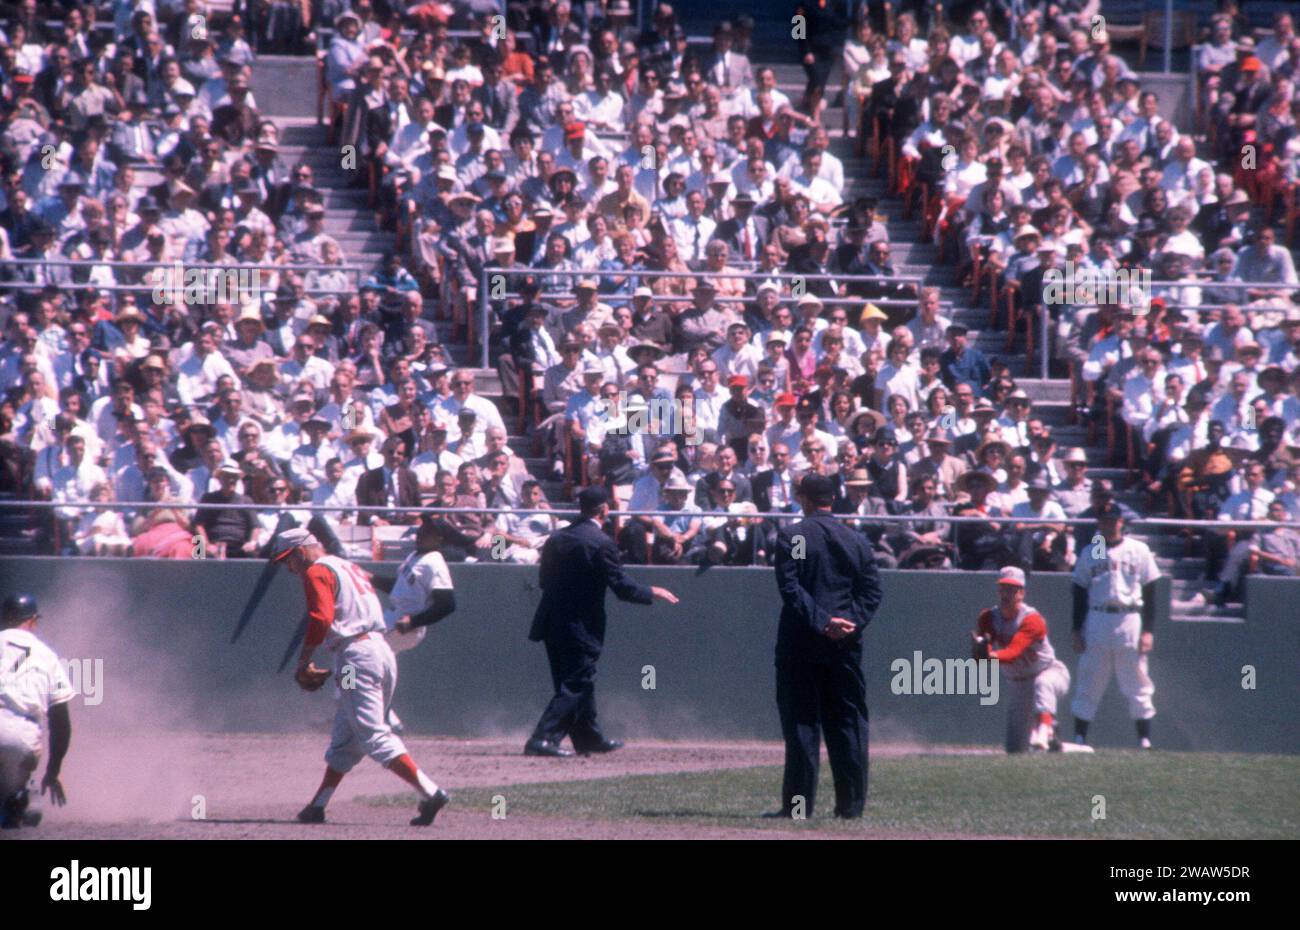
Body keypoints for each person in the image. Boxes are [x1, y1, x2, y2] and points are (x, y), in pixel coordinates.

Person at [271, 528, 450, 826]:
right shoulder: (345, 564)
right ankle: (317, 805)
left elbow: (321, 617)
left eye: (288, 560)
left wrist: (304, 660)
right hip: (380, 651)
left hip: (355, 658)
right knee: (346, 733)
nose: (288, 568)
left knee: (372, 733)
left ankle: (430, 792)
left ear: (301, 551)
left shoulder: (316, 570)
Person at [525, 485, 679, 757]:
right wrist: (652, 591)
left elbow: (543, 580)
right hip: (580, 625)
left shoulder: (556, 538)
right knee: (577, 681)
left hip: (550, 621)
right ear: (604, 509)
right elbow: (622, 587)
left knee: (577, 680)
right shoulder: (601, 542)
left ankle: (588, 737)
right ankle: (542, 738)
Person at [769, 474, 883, 820]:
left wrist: (822, 621)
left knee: (803, 722)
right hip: (845, 646)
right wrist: (848, 622)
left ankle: (799, 808)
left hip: (802, 643)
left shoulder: (796, 536)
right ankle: (850, 807)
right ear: (832, 498)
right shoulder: (856, 540)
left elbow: (793, 590)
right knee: (846, 722)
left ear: (803, 498)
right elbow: (871, 592)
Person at [1069, 504, 1161, 749]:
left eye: (1113, 520)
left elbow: (1151, 592)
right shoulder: (1093, 550)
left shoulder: (1138, 549)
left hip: (1129, 617)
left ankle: (1144, 739)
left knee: (1137, 678)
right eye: (1104, 520)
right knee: (1090, 676)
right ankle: (1080, 737)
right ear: (1099, 523)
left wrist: (1149, 630)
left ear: (1121, 522)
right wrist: (1076, 629)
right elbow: (1079, 590)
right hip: (1098, 617)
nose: (1109, 524)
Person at [972, 567, 1077, 754]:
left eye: (1012, 590)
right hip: (1018, 684)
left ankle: (1044, 731)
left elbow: (1014, 652)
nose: (1006, 594)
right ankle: (1055, 739)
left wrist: (990, 656)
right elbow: (982, 657)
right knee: (1014, 750)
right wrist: (980, 651)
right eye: (1003, 589)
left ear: (1022, 593)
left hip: (1049, 672)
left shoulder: (1031, 619)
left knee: (1042, 684)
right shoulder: (988, 617)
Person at [0, 594, 73, 829]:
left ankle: (15, 797)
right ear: (32, 621)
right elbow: (61, 723)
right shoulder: (47, 655)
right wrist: (53, 771)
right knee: (16, 791)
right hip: (21, 737)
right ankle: (18, 798)